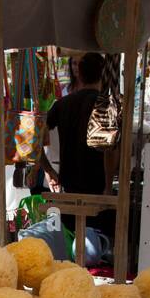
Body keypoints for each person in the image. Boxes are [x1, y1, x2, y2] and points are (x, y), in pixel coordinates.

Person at [39, 53, 107, 196]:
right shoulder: (106, 105)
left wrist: (48, 170)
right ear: (103, 75)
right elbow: (111, 151)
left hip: (69, 182)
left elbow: (36, 138)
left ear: (79, 75)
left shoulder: (62, 104)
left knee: (69, 218)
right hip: (97, 184)